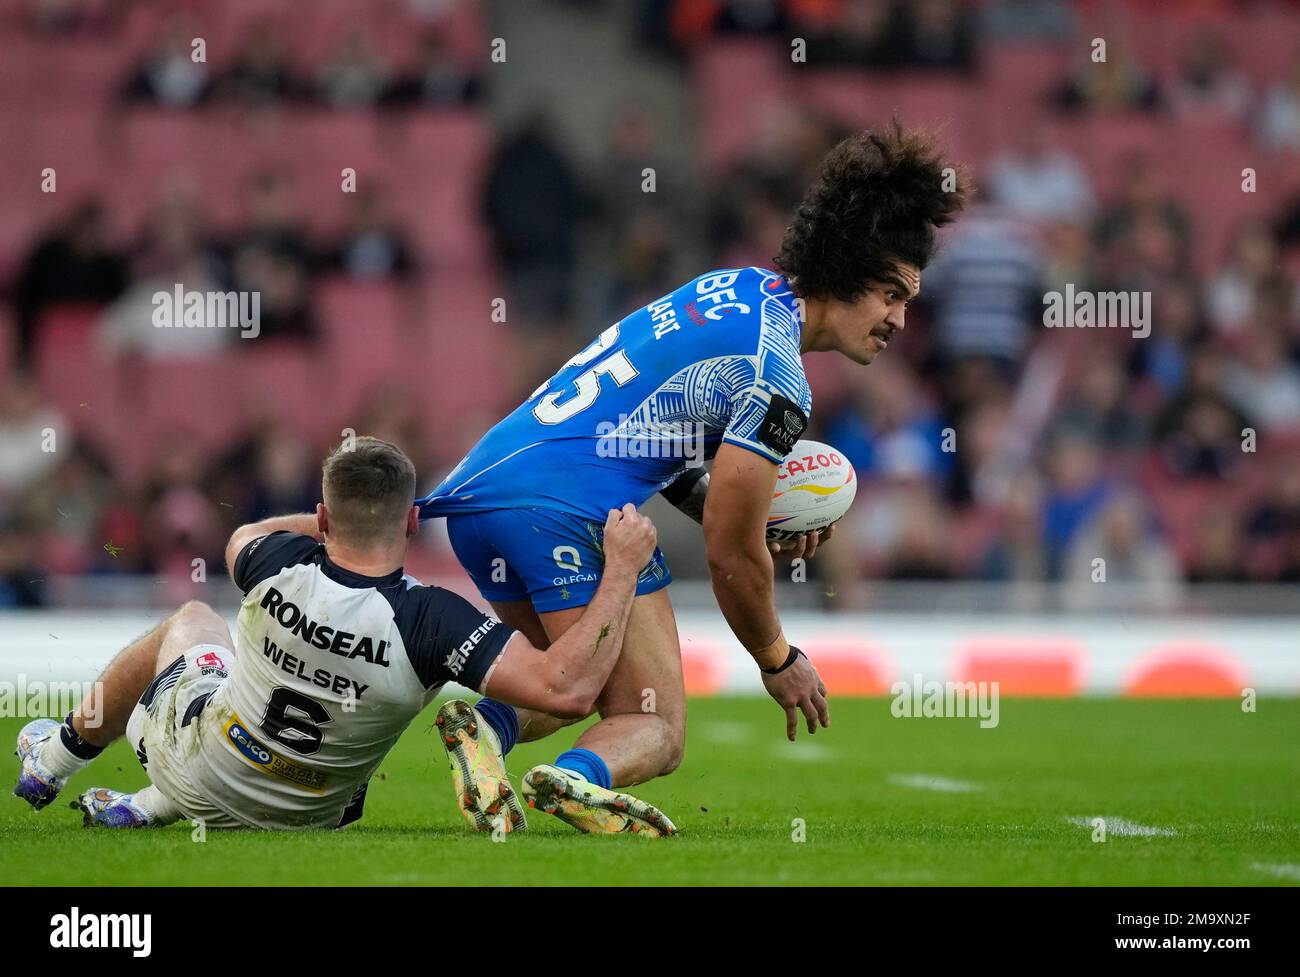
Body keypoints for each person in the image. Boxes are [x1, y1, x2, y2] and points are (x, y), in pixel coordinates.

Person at [417, 122, 967, 835]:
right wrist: (779, 655)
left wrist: (748, 523)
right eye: (892, 294)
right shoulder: (779, 377)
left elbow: (659, 432)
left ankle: (484, 728)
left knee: (568, 678)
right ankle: (576, 780)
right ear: (851, 267)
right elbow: (728, 550)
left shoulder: (731, 287)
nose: (899, 318)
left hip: (484, 492)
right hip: (568, 506)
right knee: (656, 724)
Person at [13, 437, 664, 834]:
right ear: (411, 522)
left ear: (323, 516)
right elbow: (568, 688)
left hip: (205, 764)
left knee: (188, 623)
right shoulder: (434, 620)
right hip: (313, 811)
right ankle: (145, 803)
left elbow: (247, 534)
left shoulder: (273, 564)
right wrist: (622, 569)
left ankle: (55, 758)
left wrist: (333, 522)